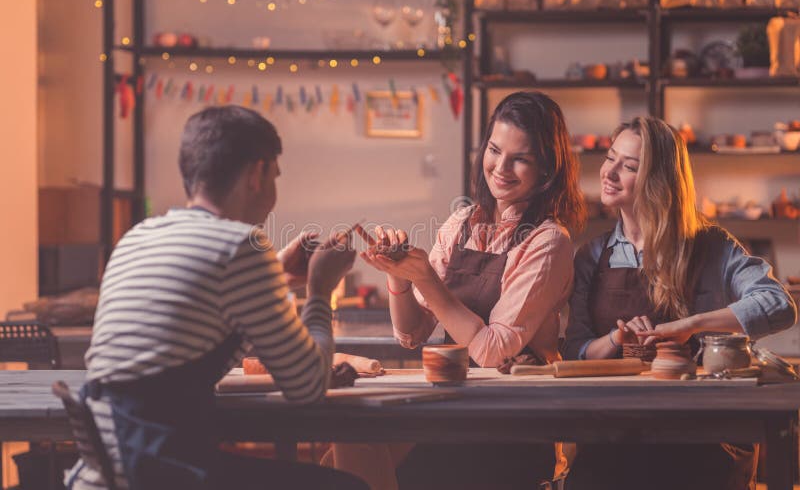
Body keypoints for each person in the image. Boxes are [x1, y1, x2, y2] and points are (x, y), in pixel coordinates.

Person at [66, 106, 367, 490]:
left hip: (106, 471)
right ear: (257, 174)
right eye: (275, 176)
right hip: (162, 474)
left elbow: (195, 309)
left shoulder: (139, 237)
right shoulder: (241, 246)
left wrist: (277, 274)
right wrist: (320, 289)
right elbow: (307, 386)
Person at [332, 91, 586, 489]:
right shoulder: (463, 221)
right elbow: (411, 334)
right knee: (345, 446)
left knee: (351, 452)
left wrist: (428, 280)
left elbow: (489, 351)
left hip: (511, 421)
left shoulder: (548, 241)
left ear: (547, 170)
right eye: (494, 150)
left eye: (520, 159)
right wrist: (399, 275)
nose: (500, 168)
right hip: (454, 404)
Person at [563, 116, 797, 490]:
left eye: (629, 166)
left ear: (658, 182)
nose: (608, 172)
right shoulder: (592, 255)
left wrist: (691, 324)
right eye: (610, 158)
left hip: (705, 436)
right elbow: (574, 349)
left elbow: (779, 304)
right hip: (617, 436)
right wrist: (614, 340)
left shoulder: (712, 246)